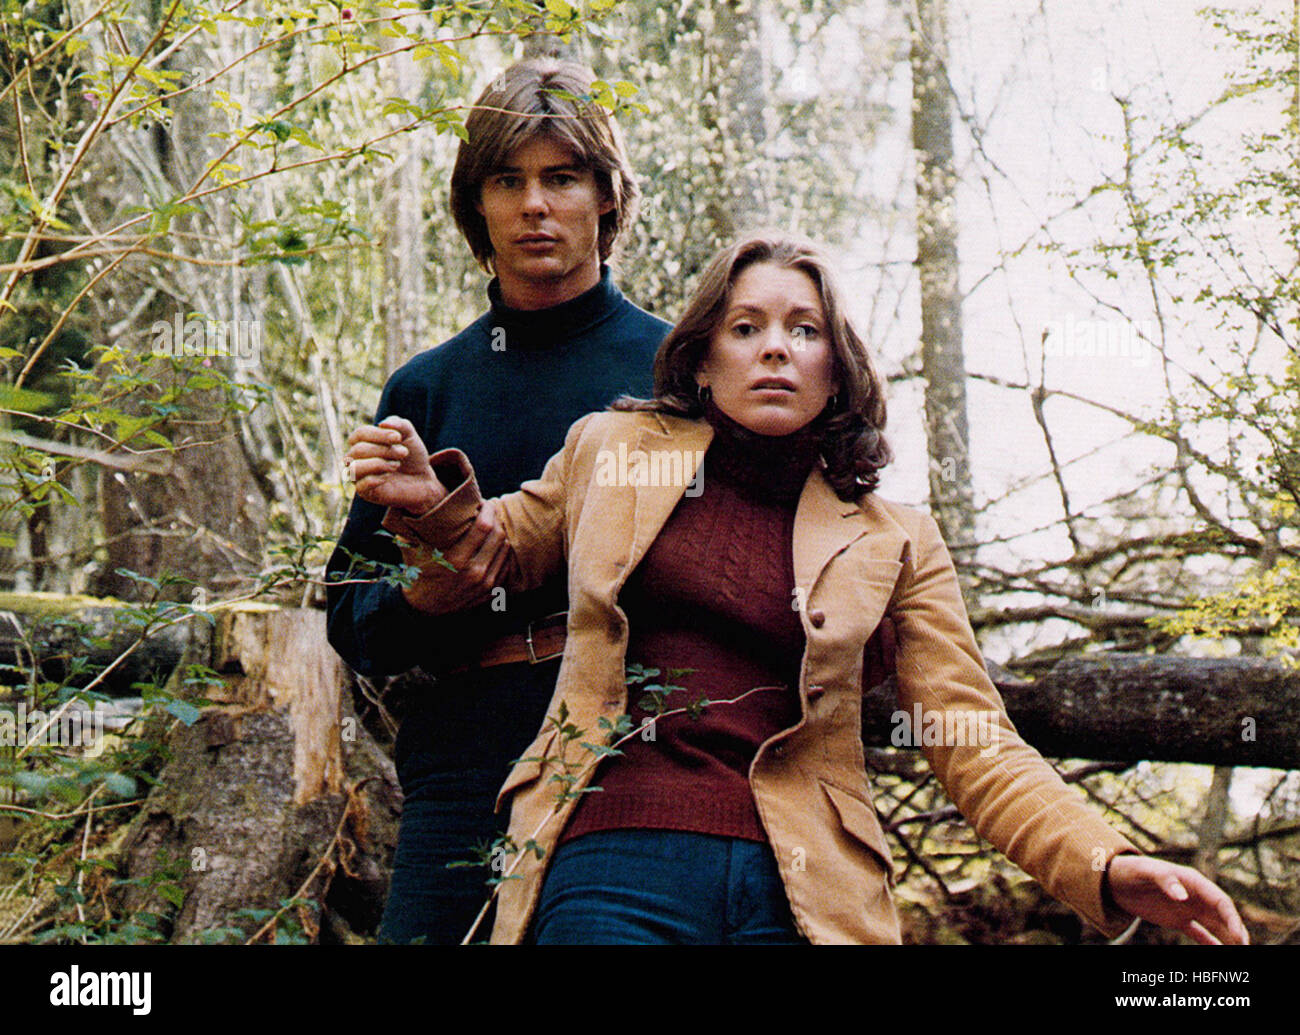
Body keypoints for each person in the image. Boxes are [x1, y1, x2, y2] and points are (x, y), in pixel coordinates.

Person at [351, 232, 1250, 946]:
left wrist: (1104, 861)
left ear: (835, 370)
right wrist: (436, 510)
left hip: (805, 884)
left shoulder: (895, 537)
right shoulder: (609, 451)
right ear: (703, 360)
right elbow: (494, 551)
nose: (775, 348)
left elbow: (972, 739)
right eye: (746, 328)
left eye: (804, 330)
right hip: (613, 853)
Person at [325, 58, 671, 944]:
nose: (535, 205)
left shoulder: (677, 373)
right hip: (460, 759)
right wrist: (425, 596)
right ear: (475, 204)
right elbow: (348, 618)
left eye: (562, 178)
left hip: (634, 752)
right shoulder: (427, 387)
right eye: (507, 181)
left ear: (606, 195)